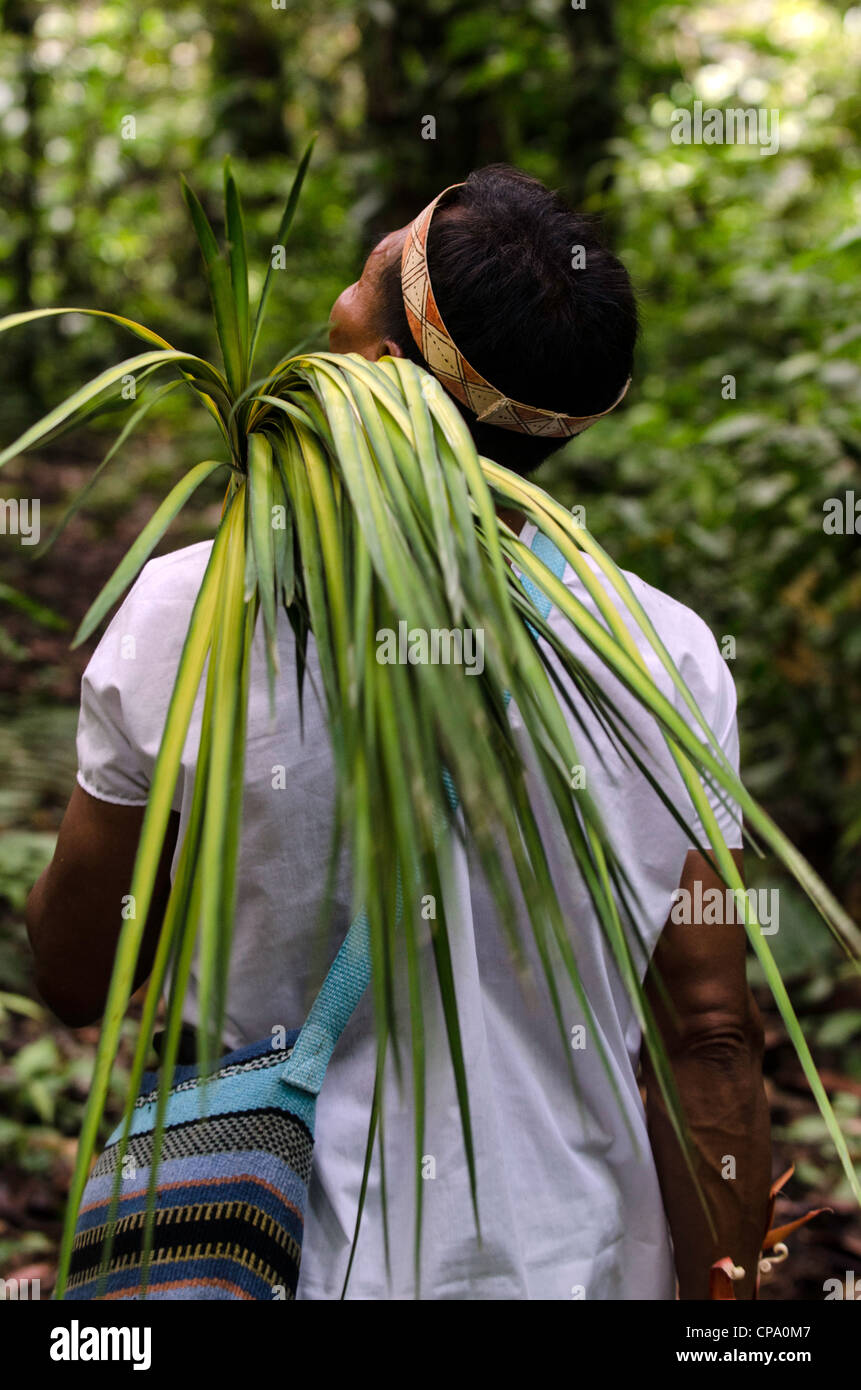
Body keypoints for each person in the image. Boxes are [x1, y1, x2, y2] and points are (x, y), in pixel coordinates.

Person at [26, 164, 770, 1300]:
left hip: (284, 1260)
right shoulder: (662, 654)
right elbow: (709, 1029)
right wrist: (731, 1304)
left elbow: (76, 972)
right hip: (581, 1268)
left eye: (364, 277)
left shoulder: (194, 611)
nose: (331, 301)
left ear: (377, 373)